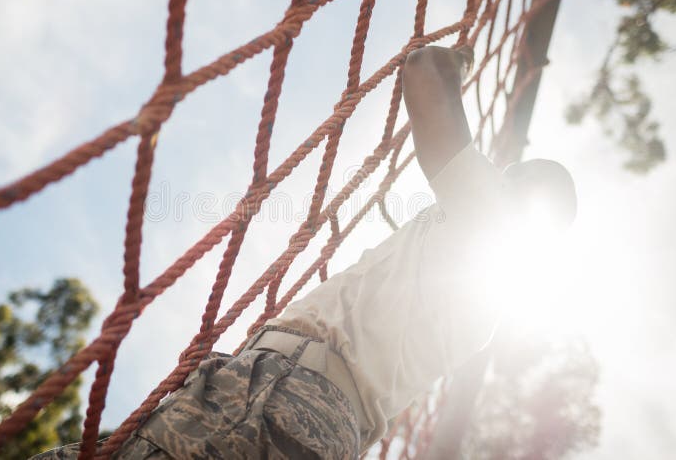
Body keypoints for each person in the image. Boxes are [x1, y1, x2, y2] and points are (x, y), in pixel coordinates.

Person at [33, 45, 576, 459]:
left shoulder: (490, 217)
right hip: (308, 418)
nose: (498, 175)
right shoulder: (487, 282)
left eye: (510, 175)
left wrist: (455, 60)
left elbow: (425, 72)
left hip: (281, 397)